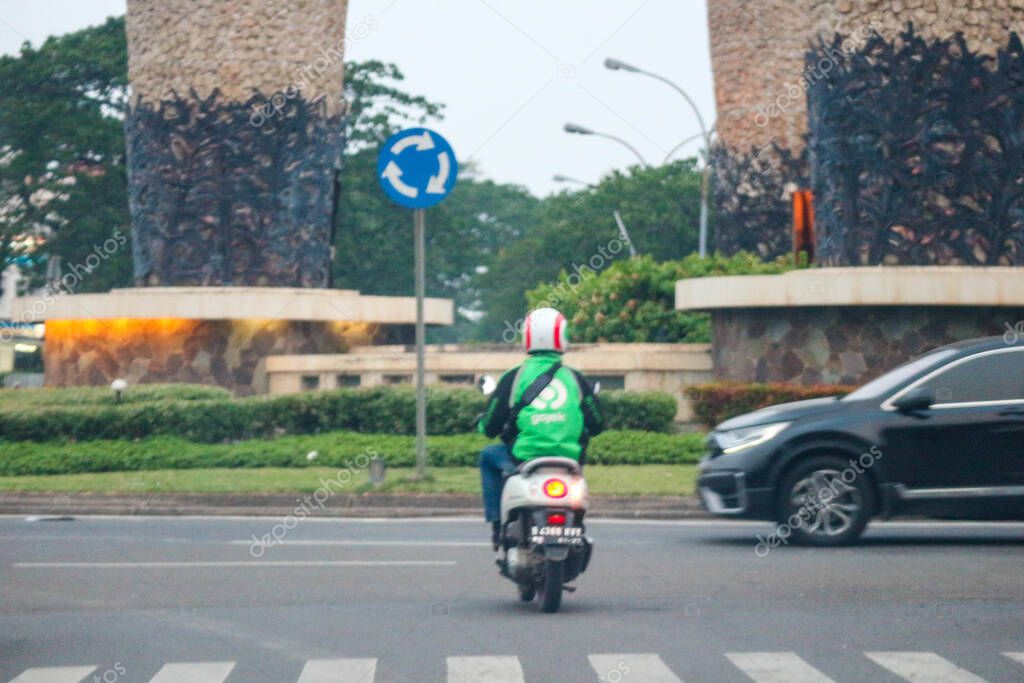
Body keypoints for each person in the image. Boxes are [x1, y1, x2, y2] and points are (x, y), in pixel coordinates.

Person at [478, 307, 604, 550]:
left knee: (487, 457)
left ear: (526, 337)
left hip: (524, 458)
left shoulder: (513, 378)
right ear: (563, 338)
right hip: (569, 461)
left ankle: (496, 525)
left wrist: (482, 424)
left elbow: (491, 425)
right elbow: (597, 424)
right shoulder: (576, 379)